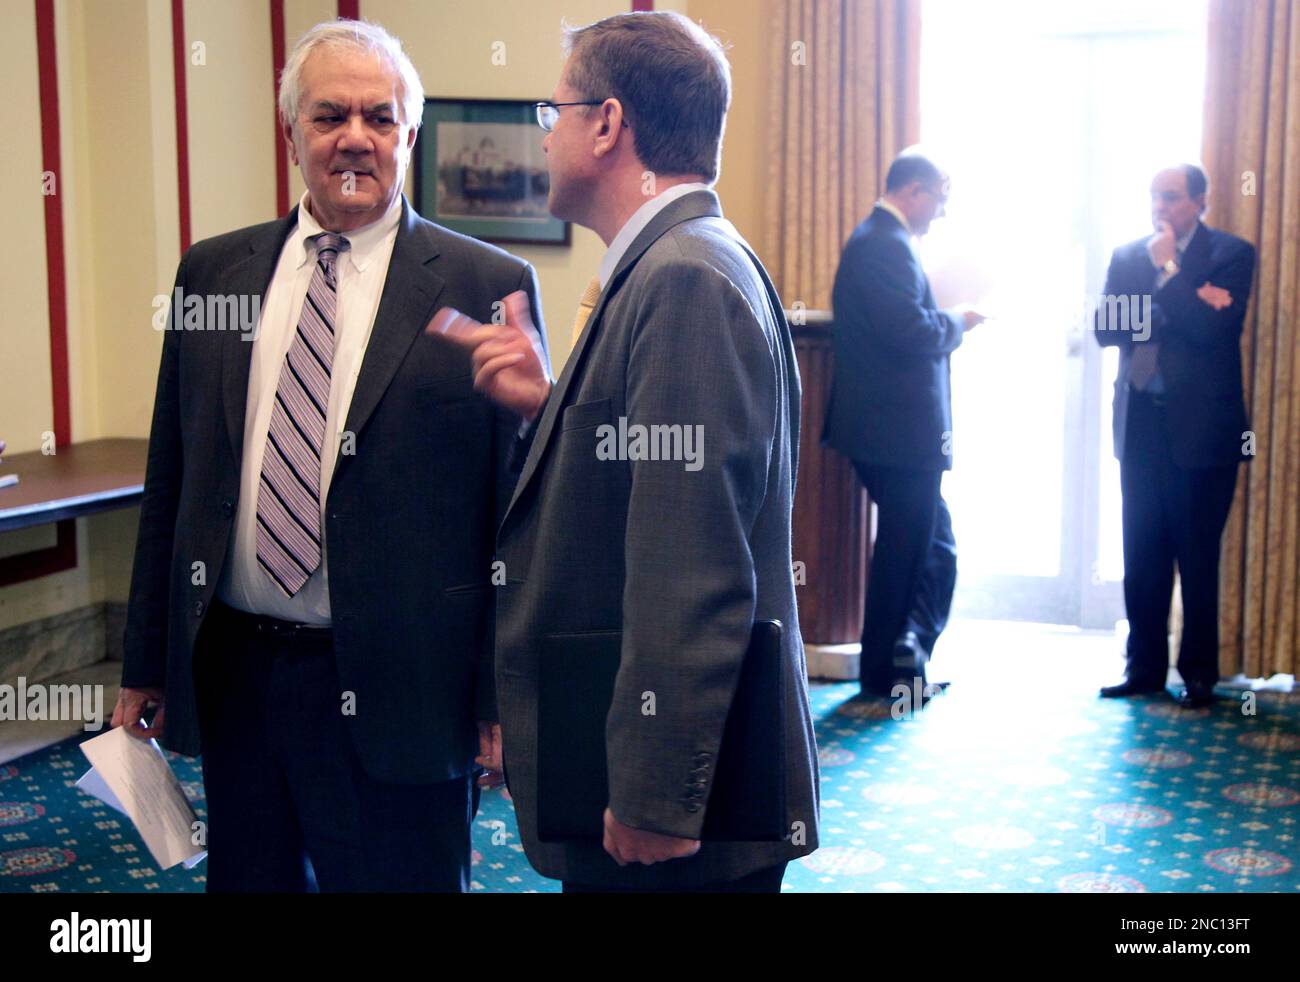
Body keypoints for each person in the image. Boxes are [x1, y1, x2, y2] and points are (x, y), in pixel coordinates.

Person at [111, 19, 546, 891]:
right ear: (293, 133)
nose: (356, 136)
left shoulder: (482, 284)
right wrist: (145, 663)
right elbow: (175, 479)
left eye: (380, 118)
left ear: (410, 138)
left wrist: (502, 702)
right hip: (240, 673)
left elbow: (517, 518)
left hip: (406, 687)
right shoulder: (213, 274)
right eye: (330, 115)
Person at [446, 10, 819, 892]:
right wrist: (551, 407)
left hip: (673, 823)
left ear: (608, 124)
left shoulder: (683, 277)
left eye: (553, 114)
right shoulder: (674, 261)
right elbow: (651, 480)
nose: (543, 139)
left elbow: (692, 569)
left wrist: (655, 796)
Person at [823, 152, 984, 700]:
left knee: (928, 547)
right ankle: (886, 675)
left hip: (893, 433)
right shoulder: (884, 244)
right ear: (914, 191)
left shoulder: (884, 242)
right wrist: (957, 322)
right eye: (938, 199)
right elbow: (908, 330)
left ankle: (903, 661)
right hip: (898, 435)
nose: (939, 213)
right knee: (906, 552)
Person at [1095, 164, 1254, 709]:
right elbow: (1107, 330)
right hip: (1140, 425)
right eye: (1154, 197)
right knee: (1142, 555)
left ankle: (1200, 676)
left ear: (1200, 201)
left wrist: (1170, 275)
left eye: (1171, 197)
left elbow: (1217, 331)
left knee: (1197, 555)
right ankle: (1143, 670)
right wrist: (1178, 302)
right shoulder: (1126, 255)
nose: (1159, 207)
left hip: (1203, 432)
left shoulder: (1233, 254)